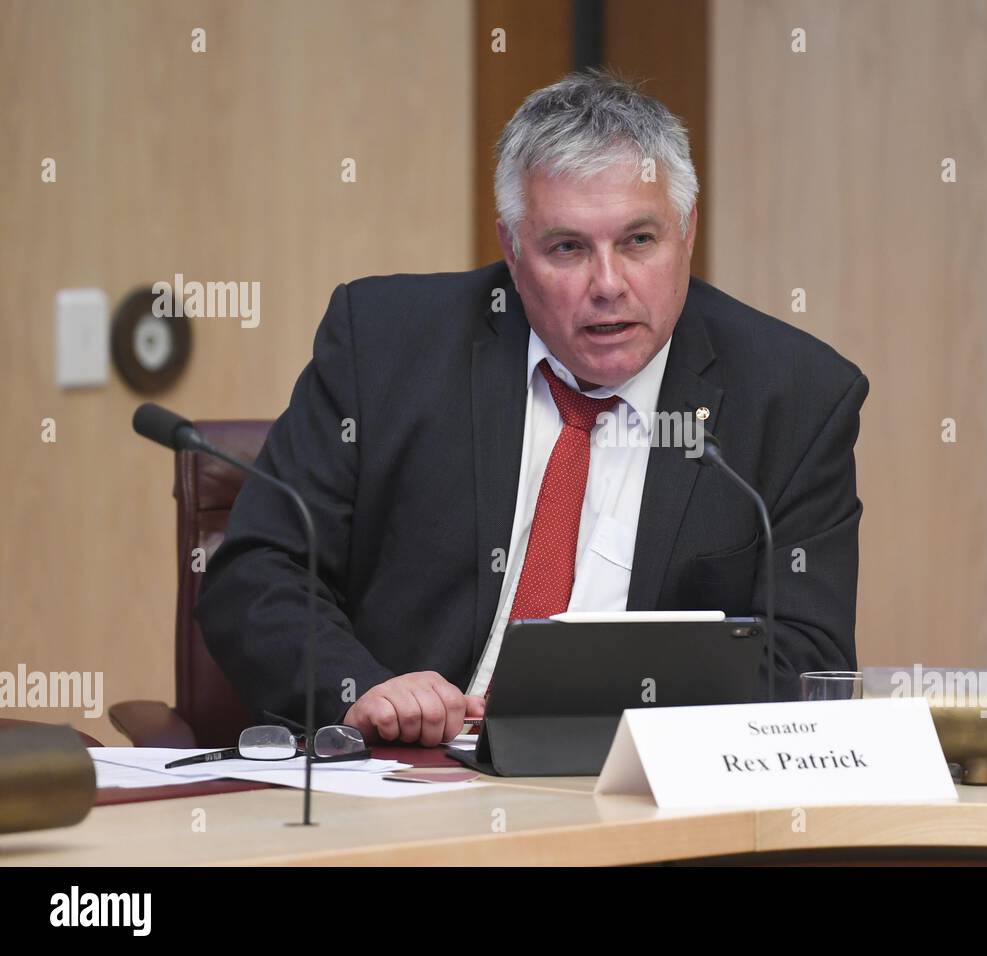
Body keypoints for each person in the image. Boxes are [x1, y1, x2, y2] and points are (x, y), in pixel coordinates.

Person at [195, 69, 869, 746]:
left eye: (639, 241)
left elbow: (808, 659)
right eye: (568, 248)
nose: (608, 284)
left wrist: (624, 721)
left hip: (642, 791)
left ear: (687, 233)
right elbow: (256, 572)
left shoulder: (794, 399)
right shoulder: (383, 345)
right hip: (410, 778)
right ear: (513, 252)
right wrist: (360, 687)